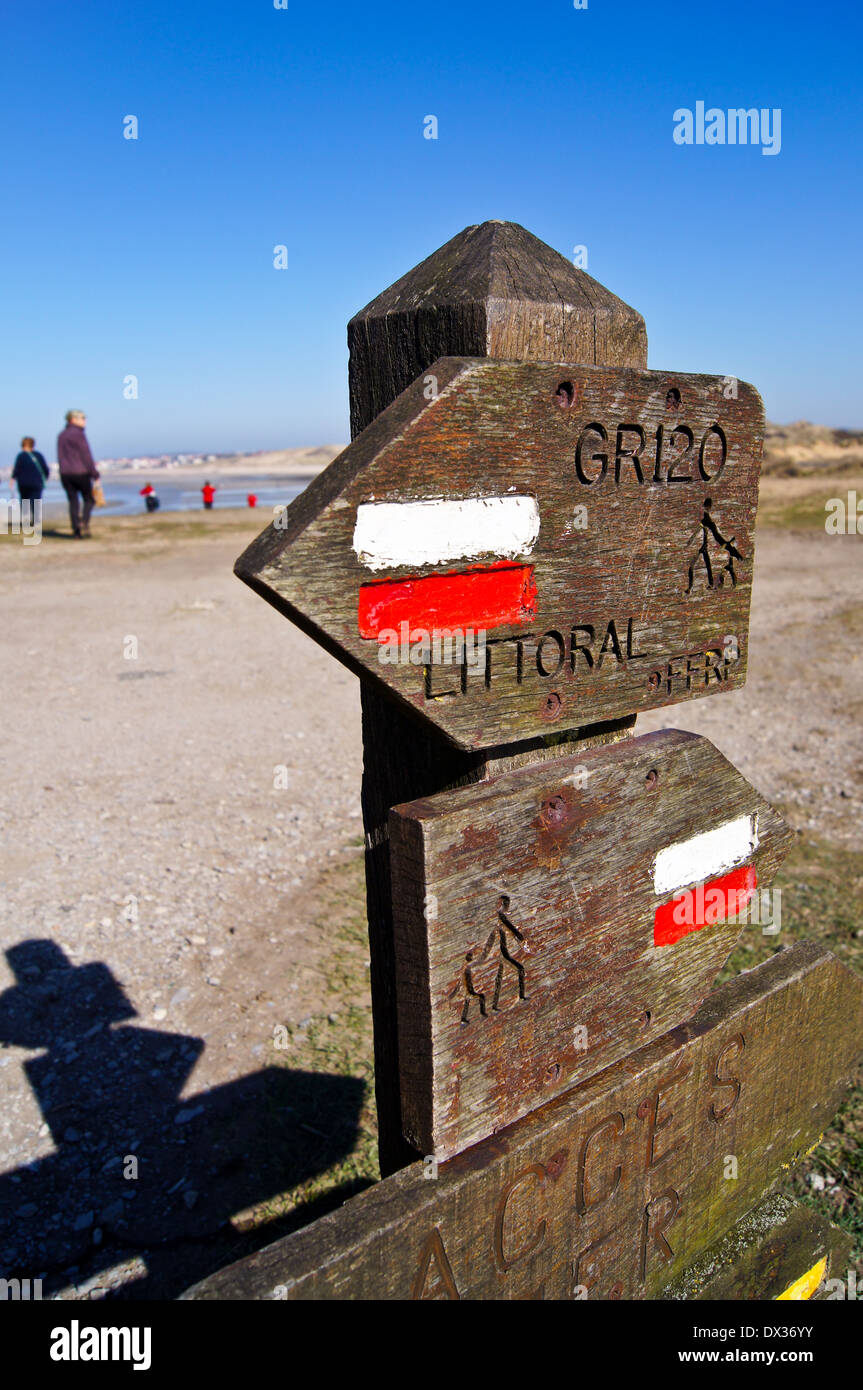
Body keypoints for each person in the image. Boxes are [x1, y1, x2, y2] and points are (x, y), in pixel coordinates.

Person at [57, 410, 99, 538]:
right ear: (73, 419)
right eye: (82, 418)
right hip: (80, 472)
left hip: (65, 474)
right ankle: (84, 522)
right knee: (89, 499)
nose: (85, 421)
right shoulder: (78, 434)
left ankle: (76, 530)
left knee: (73, 501)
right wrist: (94, 473)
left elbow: (60, 456)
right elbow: (86, 454)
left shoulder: (61, 435)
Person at [11, 437, 49, 525]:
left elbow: (16, 470)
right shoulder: (38, 455)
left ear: (23, 445)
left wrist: (12, 479)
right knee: (36, 501)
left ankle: (25, 521)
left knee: (25, 501)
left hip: (23, 483)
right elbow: (45, 469)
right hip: (36, 483)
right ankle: (36, 521)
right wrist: (45, 478)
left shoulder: (21, 456)